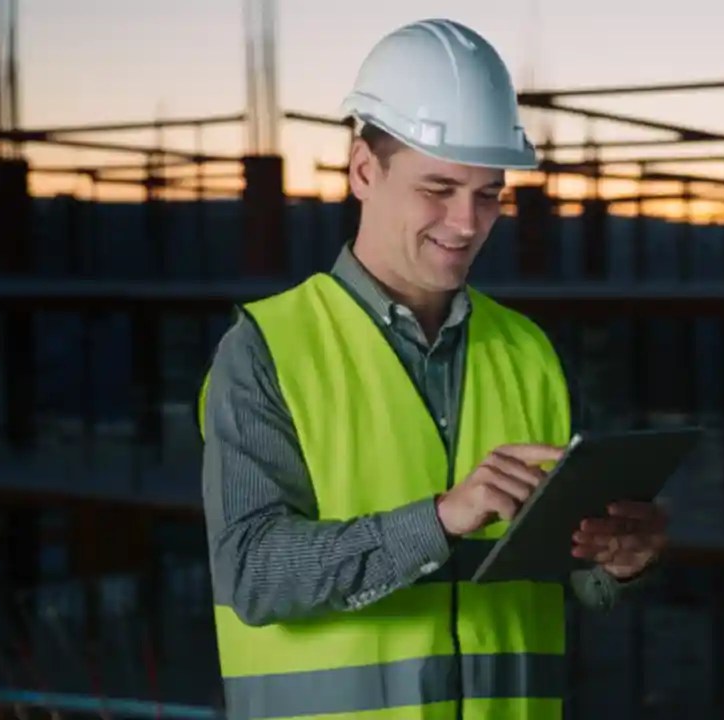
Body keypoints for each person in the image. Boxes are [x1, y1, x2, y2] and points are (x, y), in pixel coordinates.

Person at [196, 17, 669, 720]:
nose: (467, 222)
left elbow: (568, 580)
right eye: (438, 188)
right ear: (363, 170)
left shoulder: (526, 351)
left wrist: (620, 562)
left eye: (488, 195)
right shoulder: (267, 348)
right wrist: (442, 518)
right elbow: (254, 572)